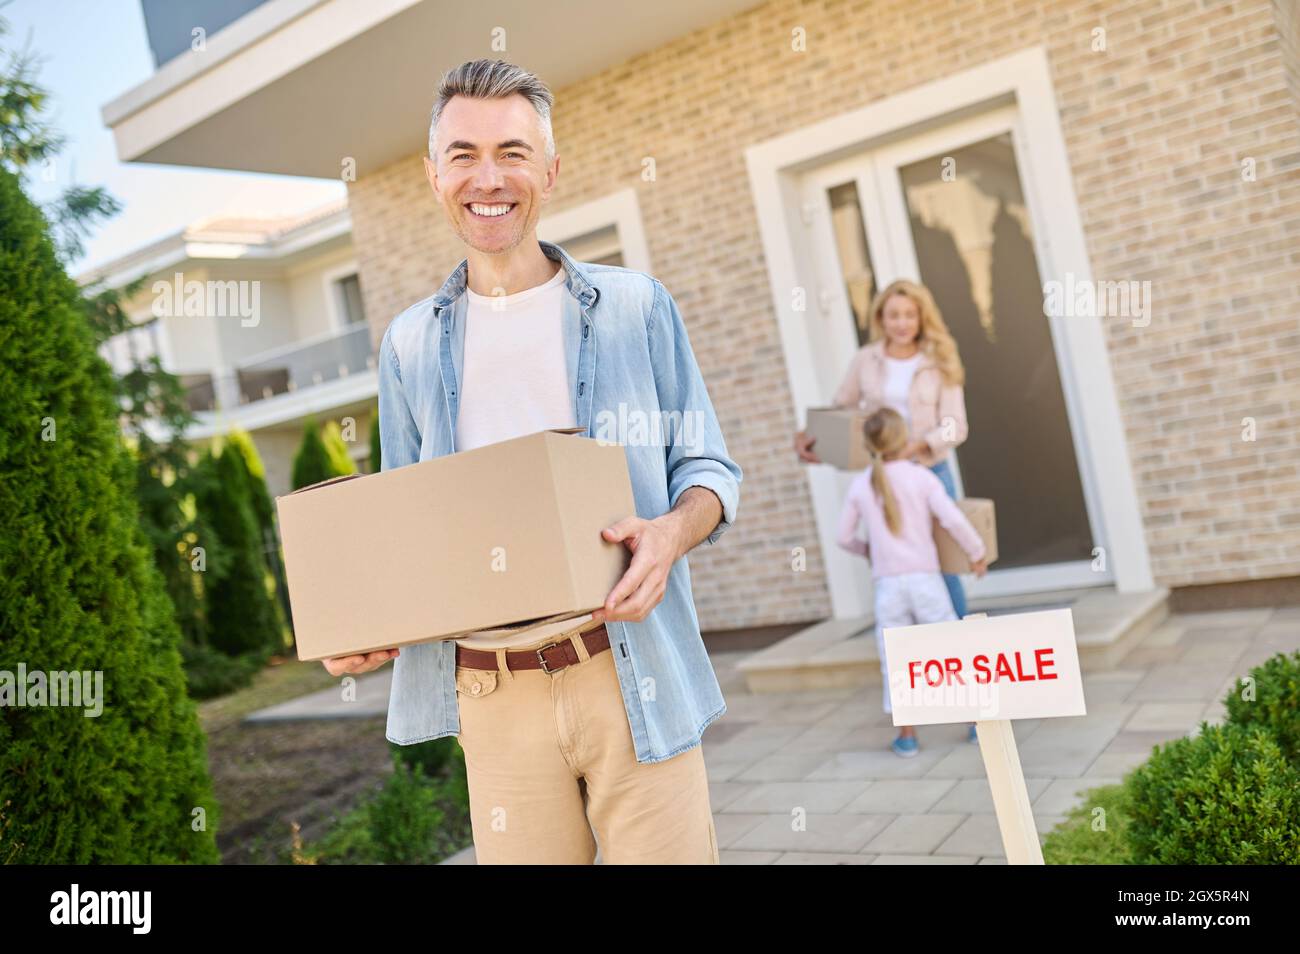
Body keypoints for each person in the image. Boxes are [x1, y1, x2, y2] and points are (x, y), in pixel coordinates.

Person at [321, 59, 742, 864]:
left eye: (513, 152)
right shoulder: (408, 346)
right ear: (433, 175)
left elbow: (710, 469)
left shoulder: (633, 309)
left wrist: (669, 535)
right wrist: (370, 621)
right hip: (492, 693)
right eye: (464, 154)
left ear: (549, 169)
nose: (489, 178)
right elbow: (408, 524)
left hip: (630, 672)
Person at [795, 279, 973, 619]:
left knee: (943, 562)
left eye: (910, 315)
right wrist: (807, 435)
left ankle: (957, 642)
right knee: (895, 565)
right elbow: (841, 407)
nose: (902, 323)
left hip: (928, 470)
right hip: (883, 477)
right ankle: (908, 649)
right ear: (881, 319)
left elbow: (955, 426)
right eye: (894, 315)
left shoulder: (941, 362)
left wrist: (916, 446)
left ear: (922, 318)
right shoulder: (866, 360)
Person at [836, 407, 987, 757]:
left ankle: (907, 736)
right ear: (903, 439)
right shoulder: (922, 478)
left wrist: (868, 550)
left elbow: (843, 537)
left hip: (888, 587)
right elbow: (953, 520)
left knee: (896, 659)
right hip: (926, 582)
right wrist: (976, 553)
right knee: (950, 647)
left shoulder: (861, 485)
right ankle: (976, 724)